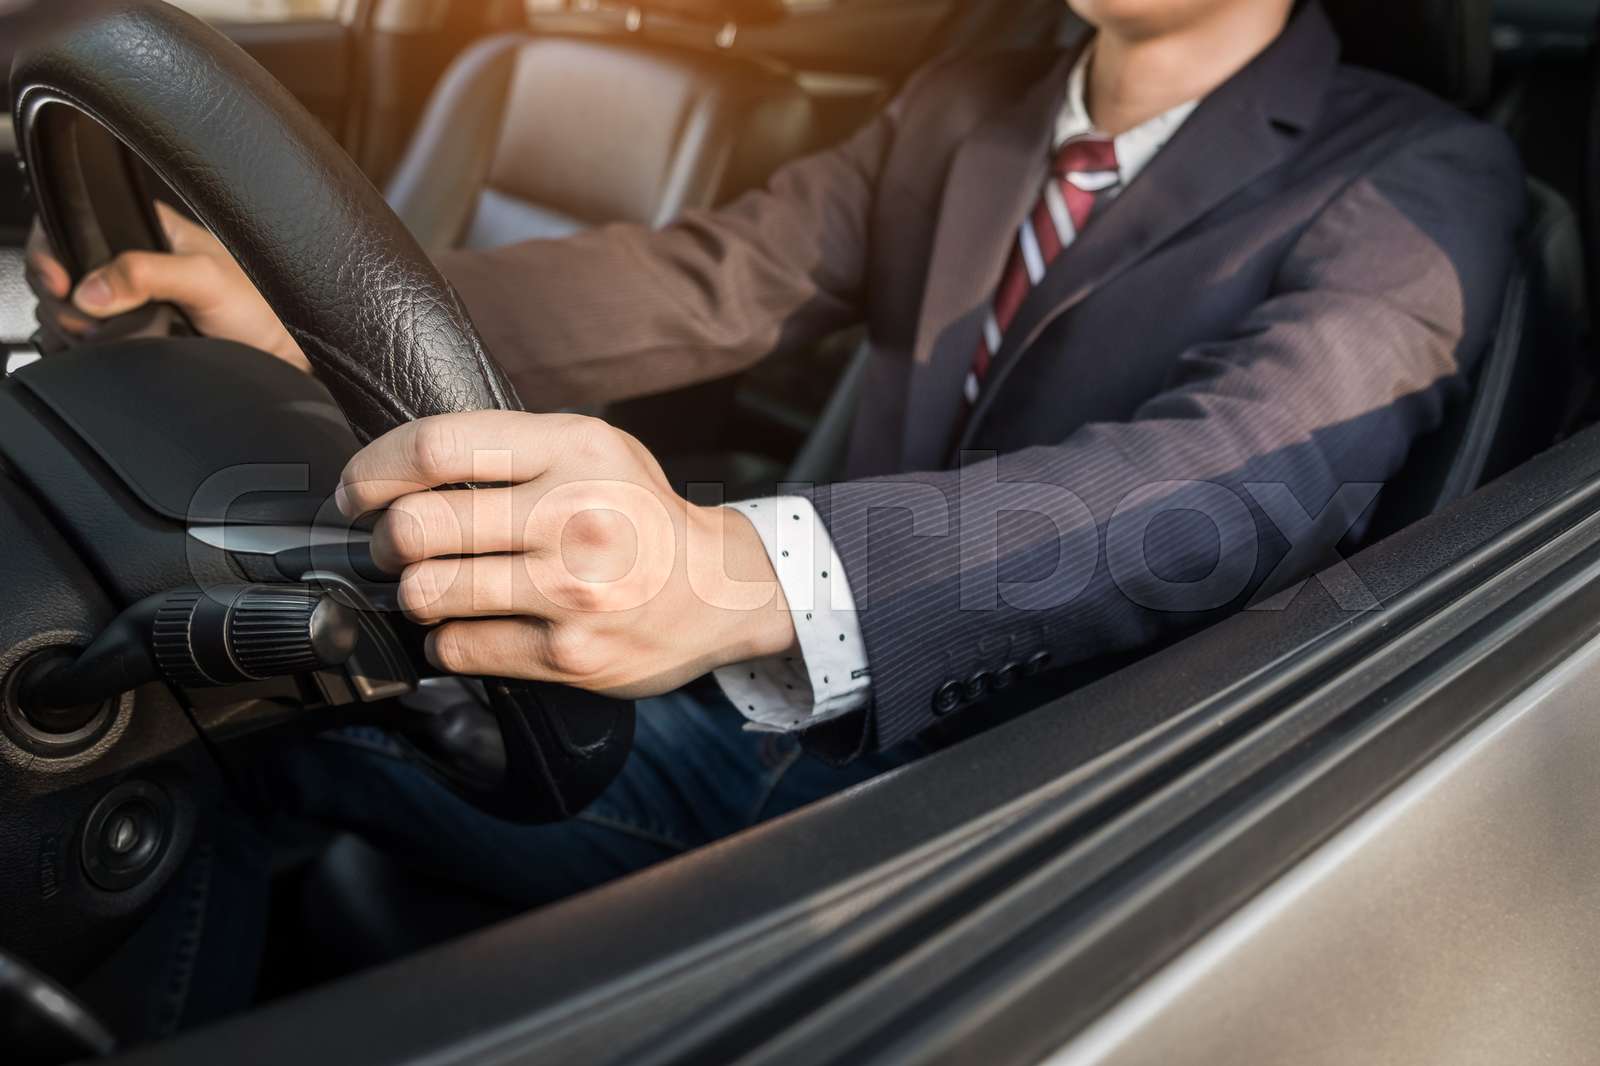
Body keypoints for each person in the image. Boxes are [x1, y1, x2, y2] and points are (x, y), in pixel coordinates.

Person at [29, 0, 1523, 1035]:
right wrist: (299, 313)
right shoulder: (969, 110)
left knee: (250, 726)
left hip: (1039, 803)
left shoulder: (1413, 173)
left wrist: (732, 566)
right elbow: (710, 277)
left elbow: (1242, 472)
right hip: (770, 725)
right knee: (213, 694)